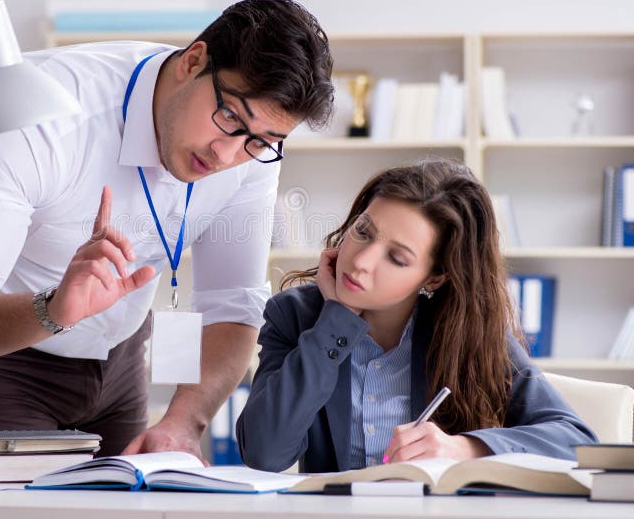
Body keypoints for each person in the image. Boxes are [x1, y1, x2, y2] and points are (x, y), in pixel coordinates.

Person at [0, 0, 334, 458]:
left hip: (122, 361)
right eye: (229, 117)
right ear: (193, 61)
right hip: (4, 359)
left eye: (262, 142)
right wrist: (52, 309)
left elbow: (233, 302)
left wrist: (184, 422)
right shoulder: (37, 113)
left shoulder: (251, 149)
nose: (226, 155)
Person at [236, 159, 597, 473]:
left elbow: (576, 441)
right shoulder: (294, 316)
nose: (361, 261)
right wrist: (337, 321)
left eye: (397, 258)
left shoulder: (467, 331)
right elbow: (264, 454)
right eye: (363, 232)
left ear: (434, 277)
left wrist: (465, 449)